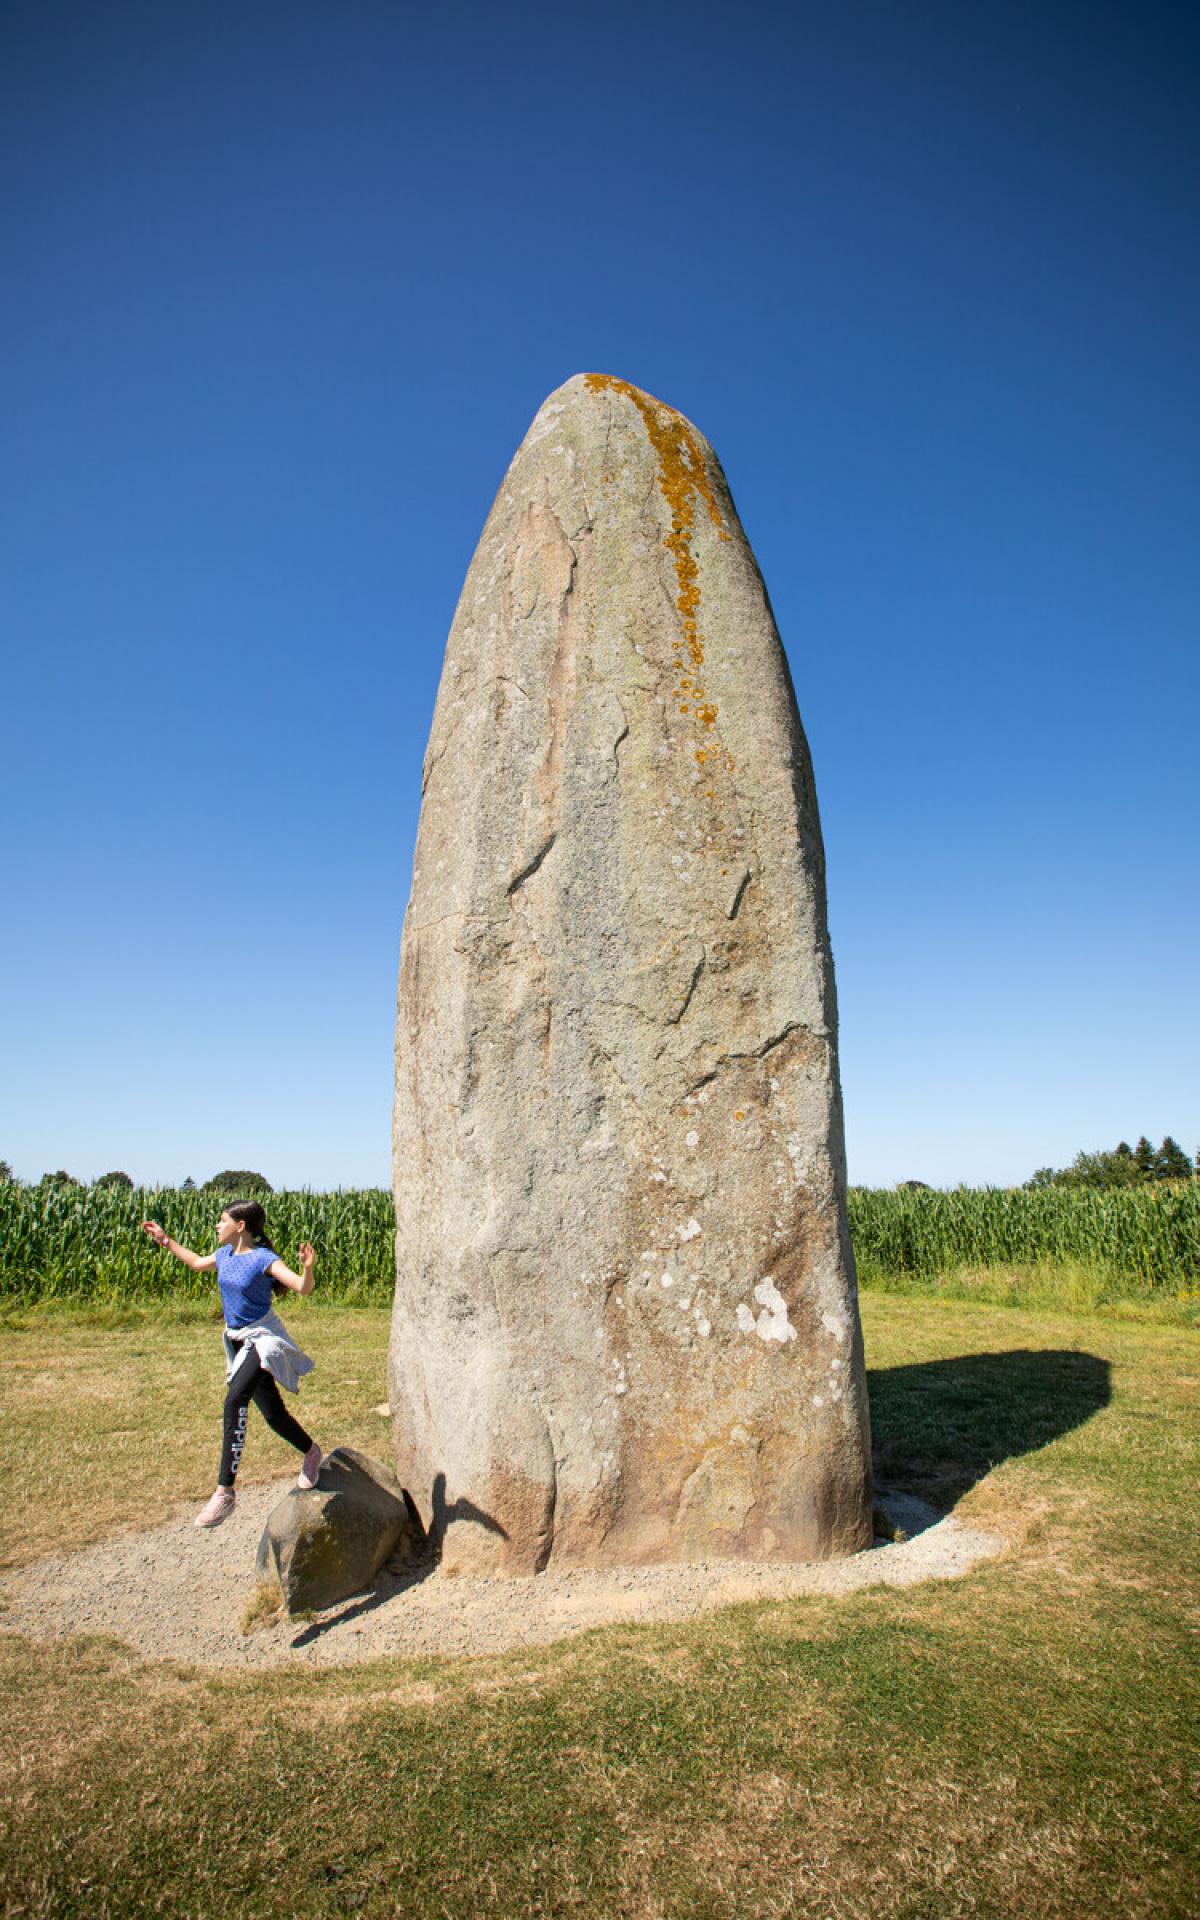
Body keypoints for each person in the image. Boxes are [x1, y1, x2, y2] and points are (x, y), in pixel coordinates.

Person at [141, 1201, 324, 1528]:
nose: (217, 1225)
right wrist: (165, 1241)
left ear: (240, 1226)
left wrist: (308, 1267)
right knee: (273, 1414)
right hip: (237, 1340)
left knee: (234, 1398)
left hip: (261, 1339)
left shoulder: (263, 1259)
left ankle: (225, 1491)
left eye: (222, 1220)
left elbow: (302, 1287)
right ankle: (312, 1452)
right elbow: (197, 1263)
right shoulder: (224, 1255)